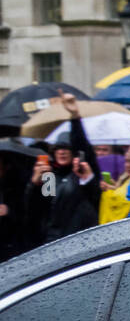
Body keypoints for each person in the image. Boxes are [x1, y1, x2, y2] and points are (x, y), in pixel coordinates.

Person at [24, 93, 101, 244]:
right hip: (54, 241)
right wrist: (34, 184)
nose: (62, 152)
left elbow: (83, 147)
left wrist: (74, 116)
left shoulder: (81, 176)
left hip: (81, 240)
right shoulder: (51, 177)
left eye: (66, 149)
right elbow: (39, 209)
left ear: (74, 153)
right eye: (58, 149)